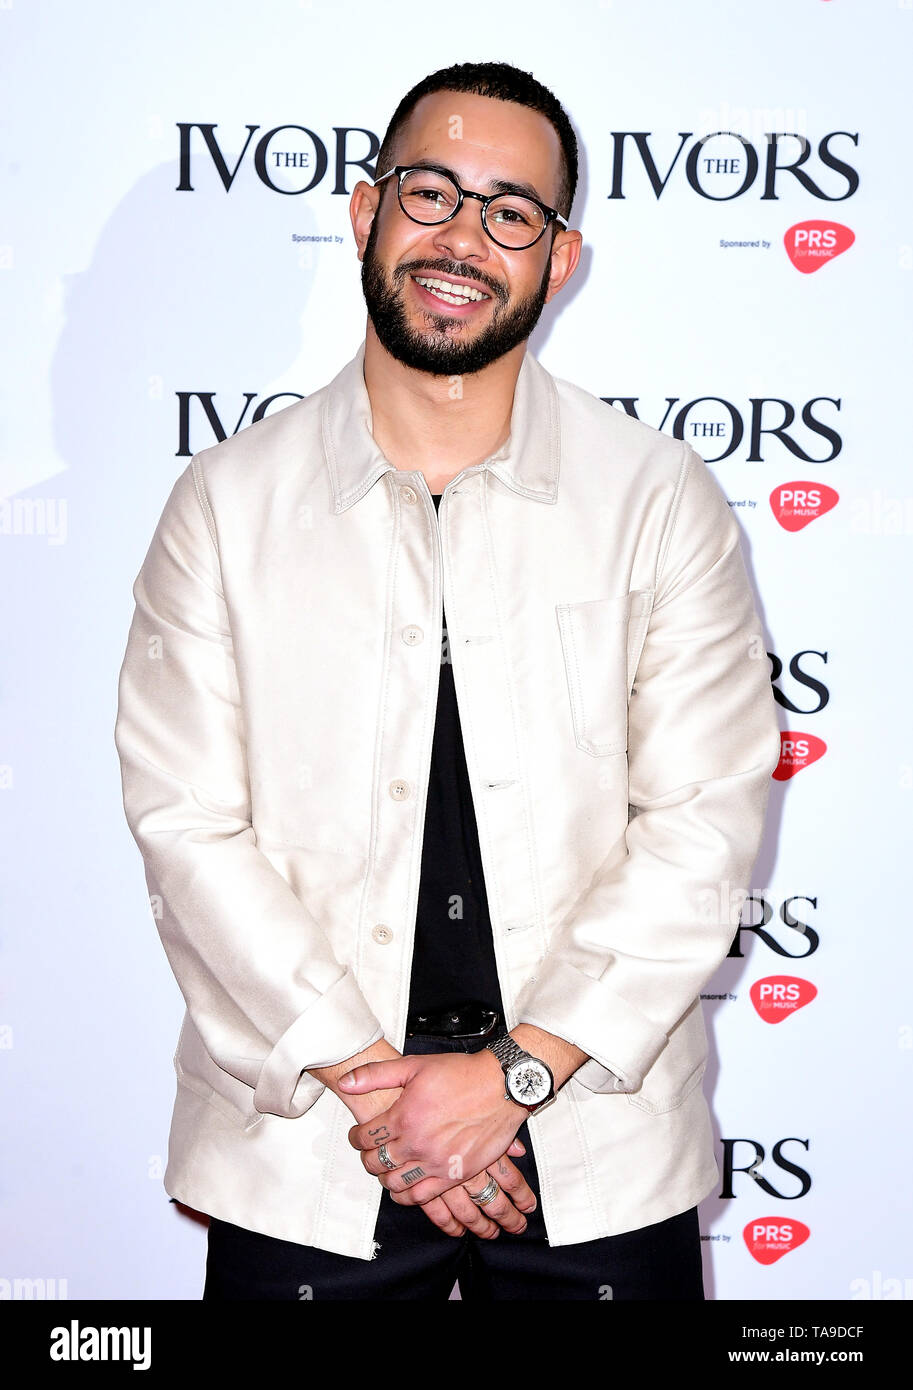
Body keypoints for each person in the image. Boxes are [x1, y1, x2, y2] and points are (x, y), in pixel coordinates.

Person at [114, 61, 781, 1301]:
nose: (463, 238)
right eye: (431, 192)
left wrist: (512, 1077)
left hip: (596, 1137)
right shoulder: (226, 504)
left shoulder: (654, 499)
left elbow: (703, 823)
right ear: (366, 215)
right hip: (308, 1140)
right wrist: (384, 1091)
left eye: (510, 211)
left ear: (559, 257)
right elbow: (188, 825)